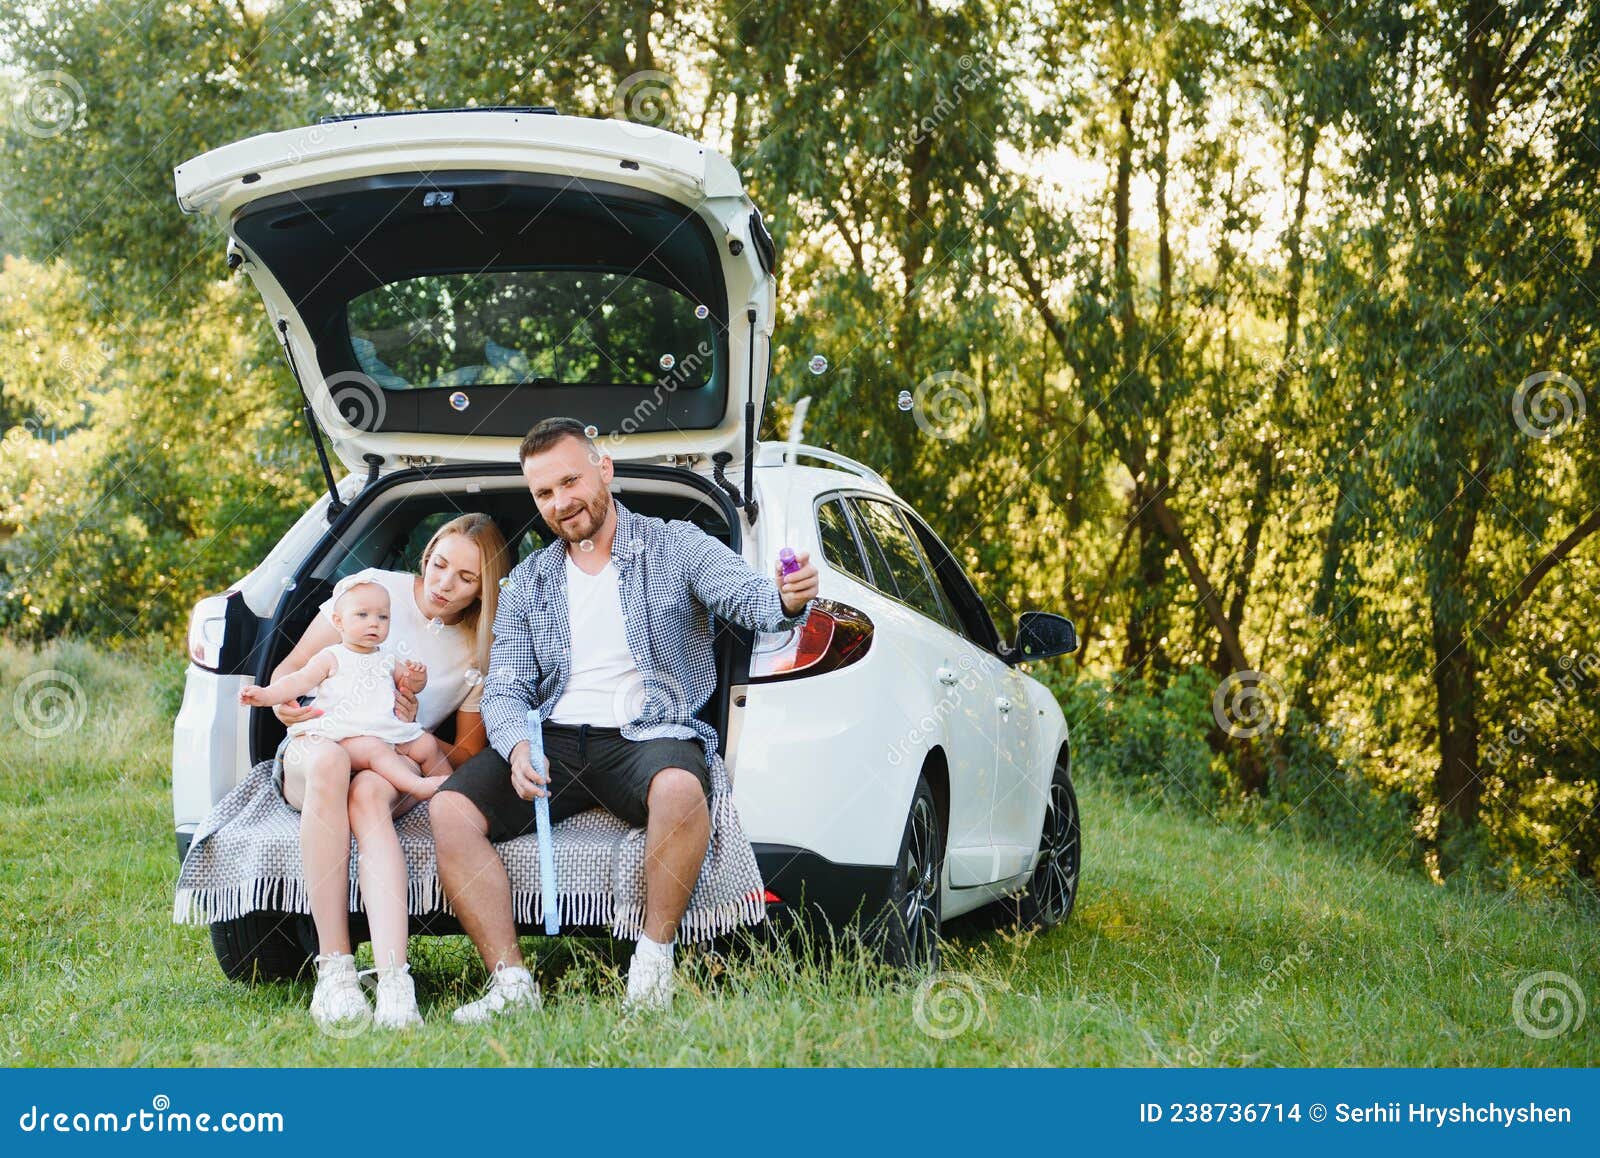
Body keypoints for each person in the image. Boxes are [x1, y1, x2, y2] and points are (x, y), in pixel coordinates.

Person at [431, 417, 819, 1023]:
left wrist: (787, 599)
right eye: (543, 494)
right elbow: (505, 686)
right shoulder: (530, 580)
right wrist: (513, 747)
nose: (560, 503)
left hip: (650, 733)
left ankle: (652, 966)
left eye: (569, 481)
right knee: (448, 811)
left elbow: (752, 600)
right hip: (555, 739)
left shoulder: (676, 545)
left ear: (603, 470)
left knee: (683, 788)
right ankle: (511, 983)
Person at [267, 513, 509, 1030]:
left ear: (483, 588)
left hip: (389, 757)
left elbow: (463, 755)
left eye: (466, 579)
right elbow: (288, 673)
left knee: (370, 794)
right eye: (440, 565)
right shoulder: (374, 591)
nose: (445, 584)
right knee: (333, 763)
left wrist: (409, 723)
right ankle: (335, 970)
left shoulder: (478, 648)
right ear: (427, 555)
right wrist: (285, 706)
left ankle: (396, 981)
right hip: (319, 746)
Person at [241, 575, 453, 798]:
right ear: (339, 621)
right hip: (343, 736)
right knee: (375, 750)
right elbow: (297, 681)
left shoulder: (388, 659)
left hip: (385, 730)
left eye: (383, 617)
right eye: (362, 615)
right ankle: (416, 786)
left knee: (427, 744)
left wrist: (418, 678)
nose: (374, 622)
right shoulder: (331, 656)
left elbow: (410, 685)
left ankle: (452, 793)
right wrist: (266, 695)